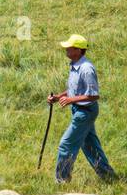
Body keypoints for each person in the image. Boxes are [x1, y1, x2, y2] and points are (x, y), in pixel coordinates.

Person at [48, 34, 116, 183]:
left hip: (85, 112)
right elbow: (75, 89)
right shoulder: (74, 65)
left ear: (78, 50)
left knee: (65, 145)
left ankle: (62, 181)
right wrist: (59, 97)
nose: (66, 49)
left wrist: (71, 100)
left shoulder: (86, 69)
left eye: (69, 47)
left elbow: (93, 95)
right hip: (79, 111)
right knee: (91, 146)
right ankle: (108, 176)